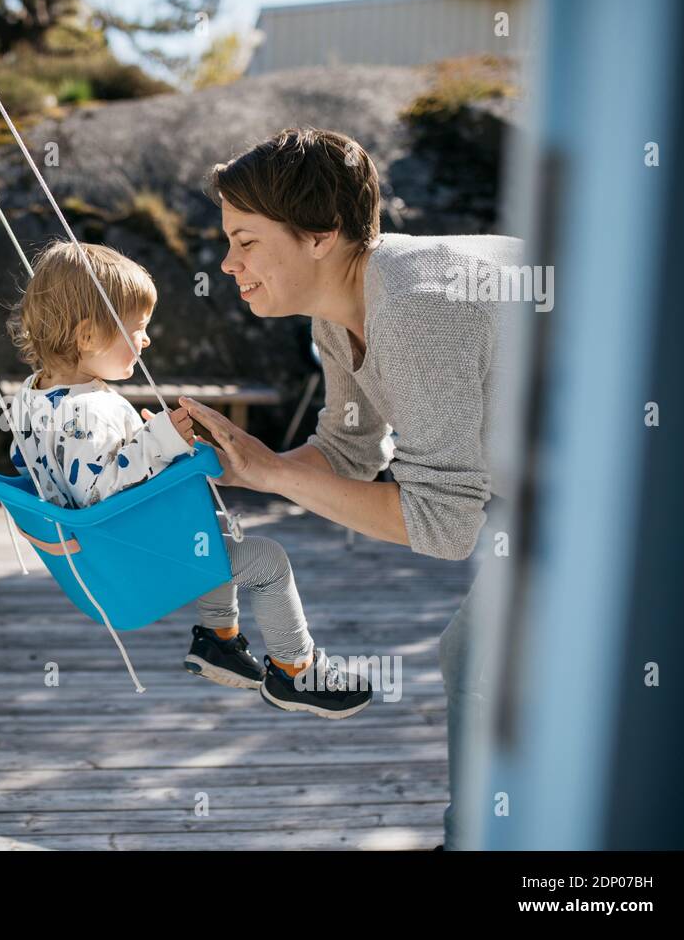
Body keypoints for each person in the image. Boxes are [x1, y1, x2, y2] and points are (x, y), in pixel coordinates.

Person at [180, 127, 524, 847]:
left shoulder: (417, 303)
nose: (228, 261)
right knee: (479, 657)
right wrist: (243, 459)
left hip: (644, 482)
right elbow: (348, 449)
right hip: (566, 490)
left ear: (320, 234)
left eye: (246, 241)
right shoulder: (346, 311)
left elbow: (445, 525)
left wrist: (269, 471)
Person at [4, 239, 372, 718]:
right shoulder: (87, 411)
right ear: (89, 336)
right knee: (267, 561)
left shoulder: (32, 398)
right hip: (130, 557)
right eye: (137, 329)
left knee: (206, 525)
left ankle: (218, 642)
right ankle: (295, 673)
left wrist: (134, 441)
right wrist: (153, 442)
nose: (146, 340)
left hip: (105, 552)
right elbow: (99, 491)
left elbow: (35, 461)